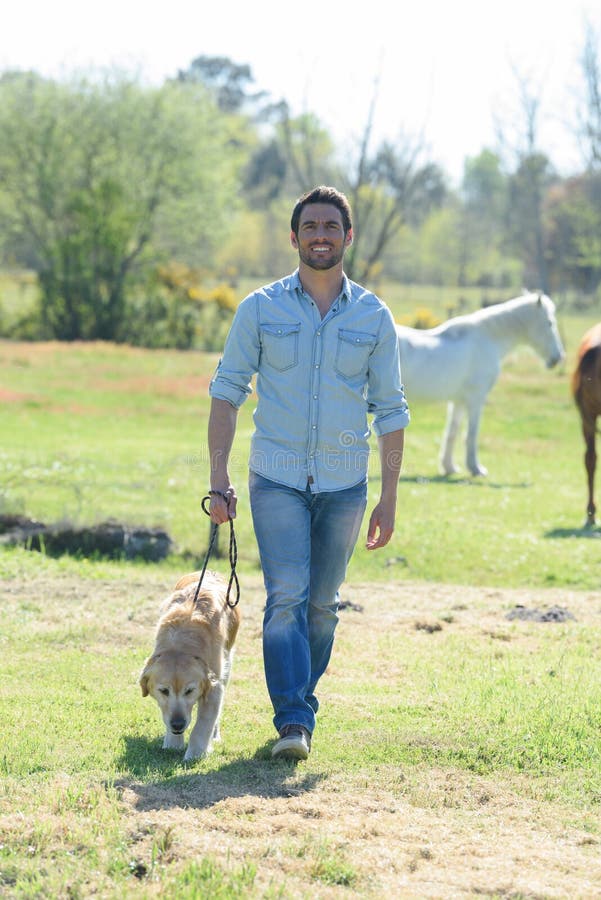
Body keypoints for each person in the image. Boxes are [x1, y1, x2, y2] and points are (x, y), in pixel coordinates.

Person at [207, 185, 410, 761]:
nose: (321, 236)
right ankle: (294, 719)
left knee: (322, 607)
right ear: (294, 237)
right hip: (276, 479)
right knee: (286, 596)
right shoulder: (259, 309)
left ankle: (300, 700)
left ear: (348, 237)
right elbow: (226, 393)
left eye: (331, 227)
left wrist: (389, 496)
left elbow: (391, 410)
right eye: (311, 227)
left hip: (345, 486)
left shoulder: (374, 316)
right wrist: (218, 479)